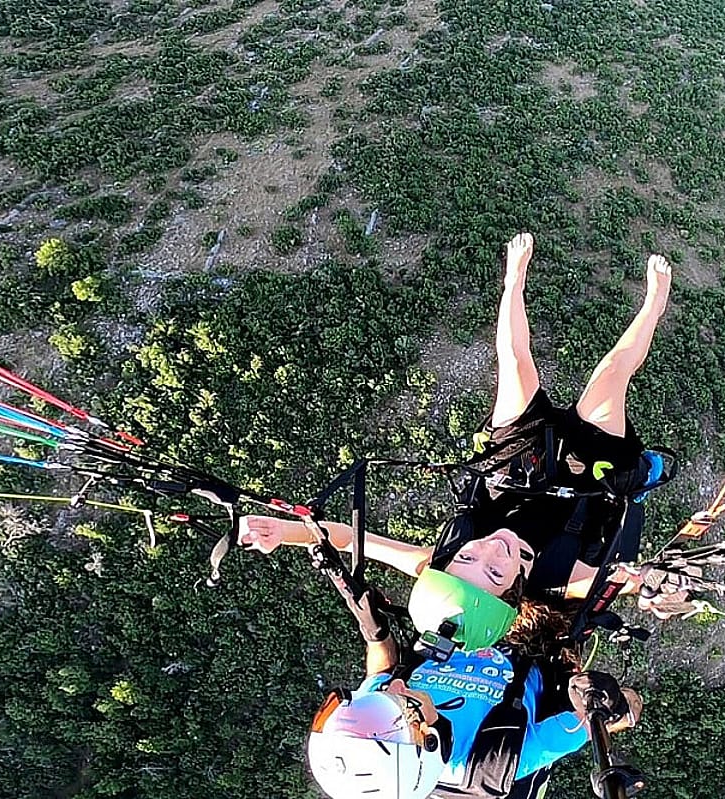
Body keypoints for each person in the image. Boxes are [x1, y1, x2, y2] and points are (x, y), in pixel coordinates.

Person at [240, 232, 673, 648]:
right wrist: (663, 590)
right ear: (516, 591)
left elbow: (351, 539)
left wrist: (284, 531)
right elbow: (641, 580)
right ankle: (654, 306)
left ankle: (513, 279)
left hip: (513, 470)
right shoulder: (565, 579)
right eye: (497, 573)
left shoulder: (437, 563)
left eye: (465, 558)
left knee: (514, 366)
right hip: (588, 483)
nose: (488, 550)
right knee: (612, 374)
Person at [306, 549, 641, 799]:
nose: (395, 684)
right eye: (398, 703)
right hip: (533, 637)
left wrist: (374, 630)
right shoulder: (492, 760)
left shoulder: (374, 714)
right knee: (590, 568)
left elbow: (381, 672)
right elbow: (626, 712)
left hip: (464, 623)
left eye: (374, 700)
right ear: (428, 739)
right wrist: (610, 702)